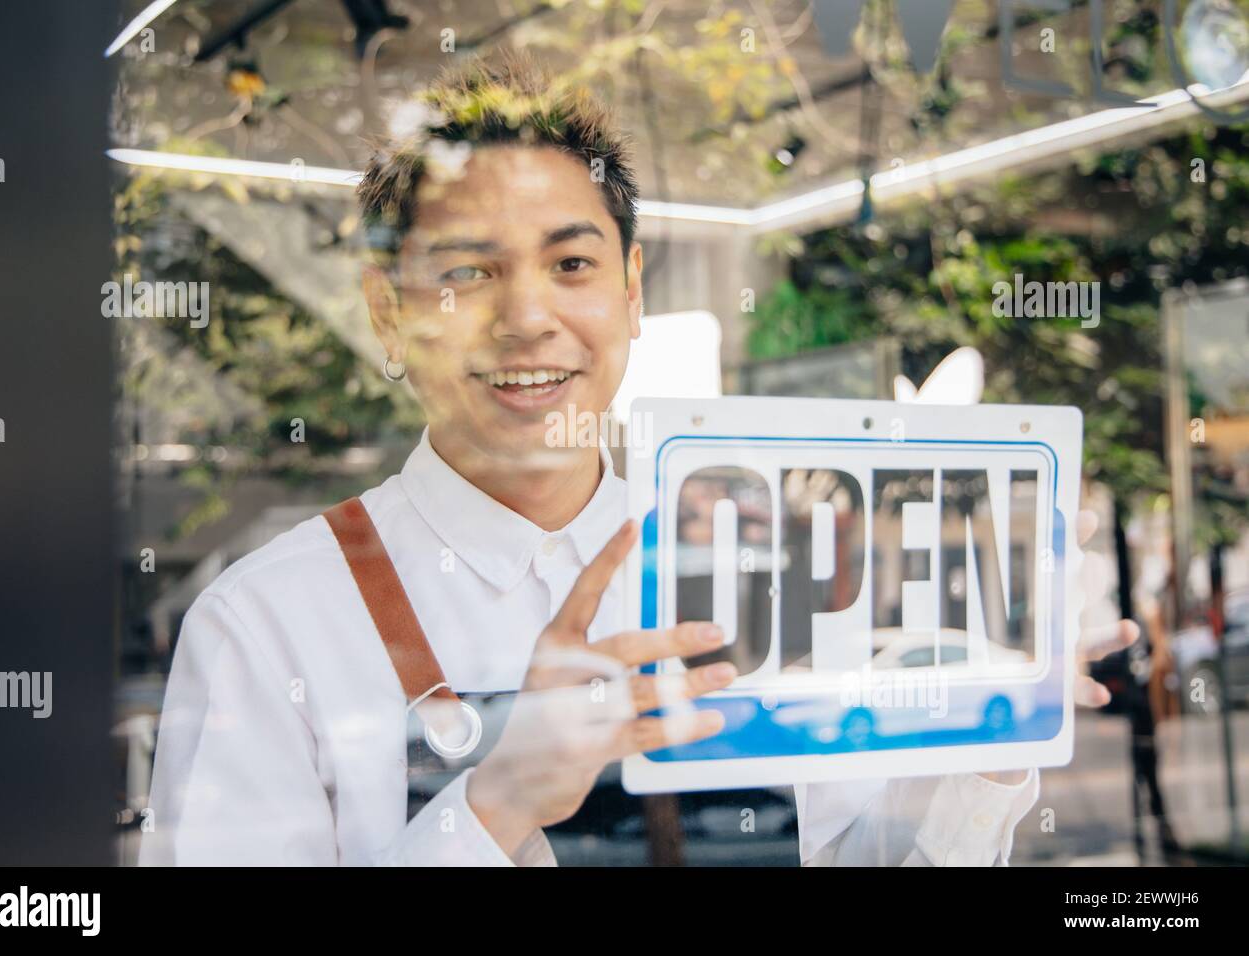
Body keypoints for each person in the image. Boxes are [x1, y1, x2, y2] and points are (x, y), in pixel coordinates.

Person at [139, 53, 1135, 866]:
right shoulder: (267, 623)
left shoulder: (757, 572)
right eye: (465, 271)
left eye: (570, 264)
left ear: (630, 291)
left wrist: (993, 739)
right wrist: (496, 800)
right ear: (388, 313)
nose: (527, 317)